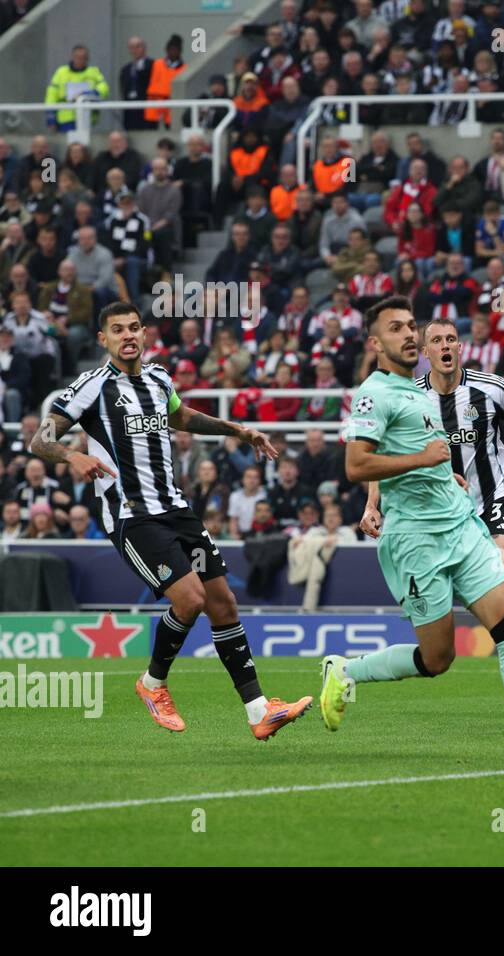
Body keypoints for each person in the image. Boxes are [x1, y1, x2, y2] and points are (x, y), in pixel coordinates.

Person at [319, 296, 504, 766]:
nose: (408, 334)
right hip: (416, 540)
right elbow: (357, 464)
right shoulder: (373, 395)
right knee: (438, 658)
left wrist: (447, 476)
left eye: (411, 325)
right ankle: (347, 670)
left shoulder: (459, 390)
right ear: (377, 343)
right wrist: (385, 493)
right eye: (398, 329)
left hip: (463, 521)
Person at [30, 302, 311, 740]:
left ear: (145, 334)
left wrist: (237, 430)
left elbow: (181, 417)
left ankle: (259, 711)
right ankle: (152, 684)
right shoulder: (92, 386)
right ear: (103, 339)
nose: (129, 335)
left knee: (223, 602)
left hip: (176, 509)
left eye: (135, 327)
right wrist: (72, 453)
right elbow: (41, 437)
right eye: (118, 329)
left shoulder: (159, 378)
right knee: (190, 599)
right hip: (131, 514)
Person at [371, 315, 504, 688]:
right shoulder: (410, 400)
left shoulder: (493, 387)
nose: (445, 346)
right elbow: (383, 453)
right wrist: (371, 504)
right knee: (491, 592)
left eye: (451, 339)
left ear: (461, 347)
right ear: (425, 352)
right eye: (437, 341)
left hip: (497, 493)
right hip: (449, 512)